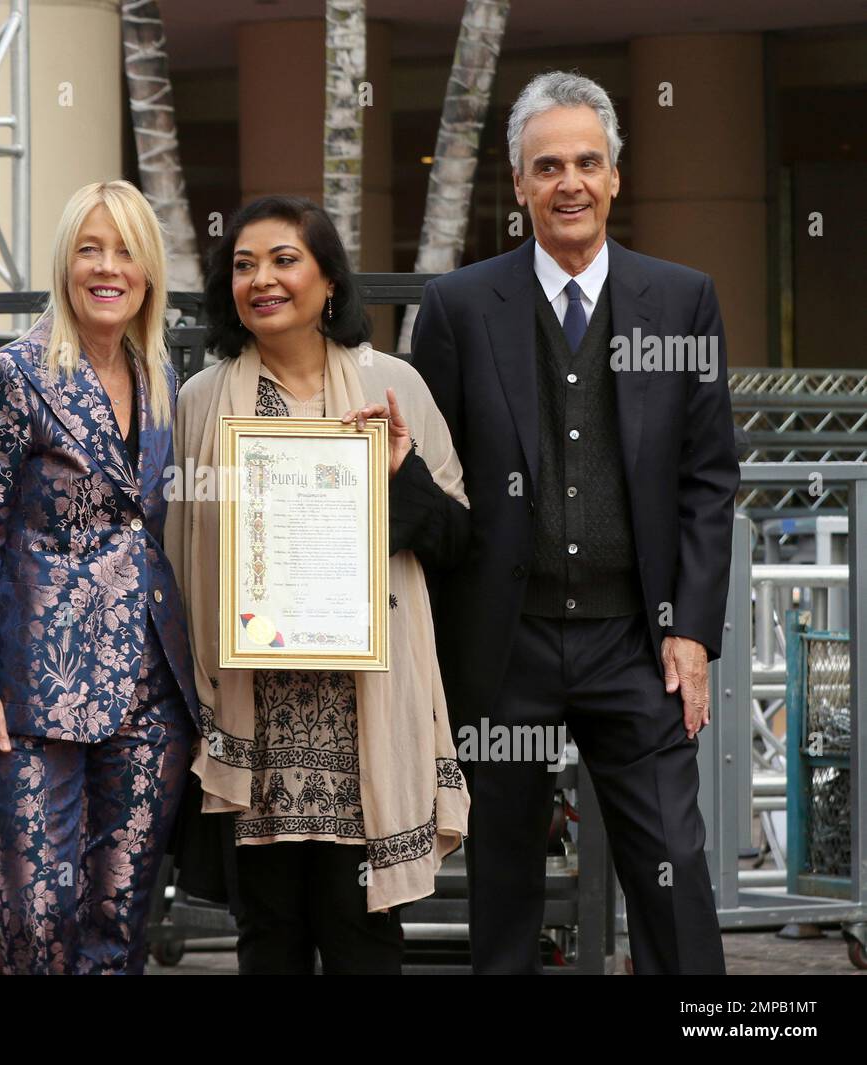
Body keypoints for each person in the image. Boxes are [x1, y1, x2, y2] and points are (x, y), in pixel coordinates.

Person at [410, 70, 738, 975]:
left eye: (588, 162)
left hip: (637, 643)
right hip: (500, 646)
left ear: (616, 177)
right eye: (547, 165)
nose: (570, 182)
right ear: (518, 183)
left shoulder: (680, 301)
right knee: (505, 884)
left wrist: (694, 634)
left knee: (674, 863)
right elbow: (433, 487)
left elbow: (708, 480)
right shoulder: (459, 308)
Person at [165, 195, 471, 975]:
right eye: (242, 265)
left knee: (363, 936)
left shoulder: (392, 384)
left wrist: (399, 472)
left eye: (283, 260)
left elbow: (457, 538)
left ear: (329, 279)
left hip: (365, 723)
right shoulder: (202, 401)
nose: (261, 280)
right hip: (255, 727)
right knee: (268, 939)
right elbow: (178, 555)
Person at [0, 180, 199, 975]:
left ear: (149, 270)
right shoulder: (10, 374)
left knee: (119, 918)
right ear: (65, 262)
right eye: (90, 248)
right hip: (34, 690)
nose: (107, 267)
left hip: (150, 691)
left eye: (125, 250)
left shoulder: (163, 380)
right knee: (39, 916)